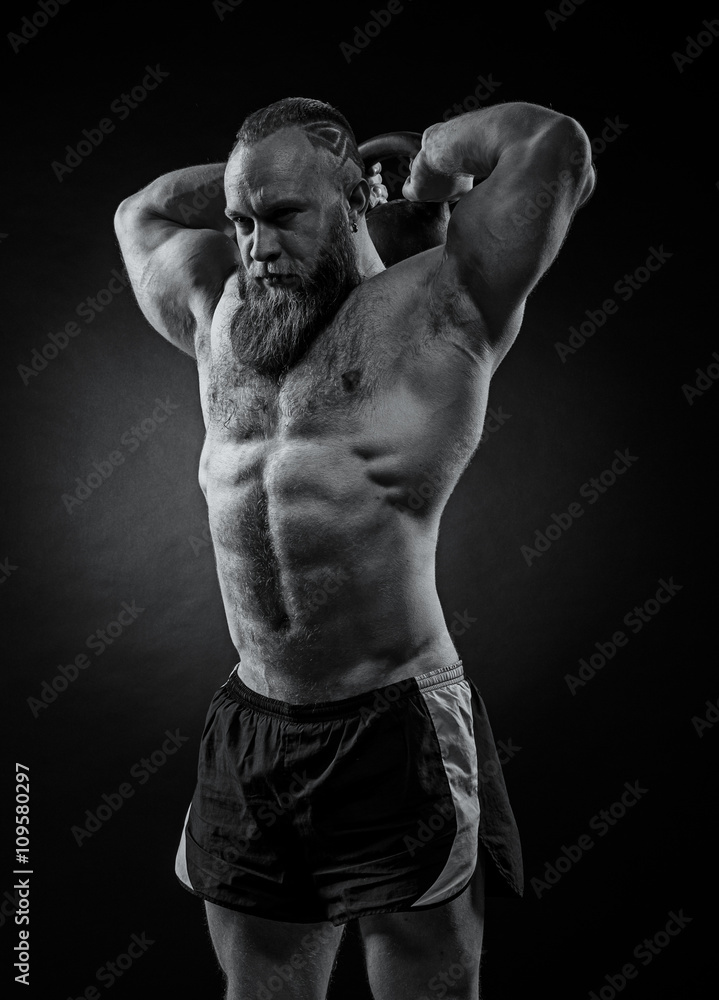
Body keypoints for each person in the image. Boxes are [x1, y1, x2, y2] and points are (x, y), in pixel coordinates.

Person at [114, 96, 595, 1000]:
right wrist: (252, 176)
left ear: (350, 200)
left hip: (392, 722)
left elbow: (551, 145)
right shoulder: (220, 313)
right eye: (240, 221)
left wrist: (425, 165)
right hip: (255, 722)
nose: (256, 247)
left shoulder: (444, 309)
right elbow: (139, 212)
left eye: (283, 215)